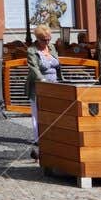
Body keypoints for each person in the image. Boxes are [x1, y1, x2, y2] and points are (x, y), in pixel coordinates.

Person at [25, 24, 60, 157]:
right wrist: (42, 80)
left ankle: (51, 136)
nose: (47, 42)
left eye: (49, 39)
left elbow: (57, 63)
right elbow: (34, 68)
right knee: (37, 113)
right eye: (44, 40)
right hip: (39, 85)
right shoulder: (32, 50)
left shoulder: (51, 47)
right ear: (38, 38)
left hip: (54, 84)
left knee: (52, 111)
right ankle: (38, 139)